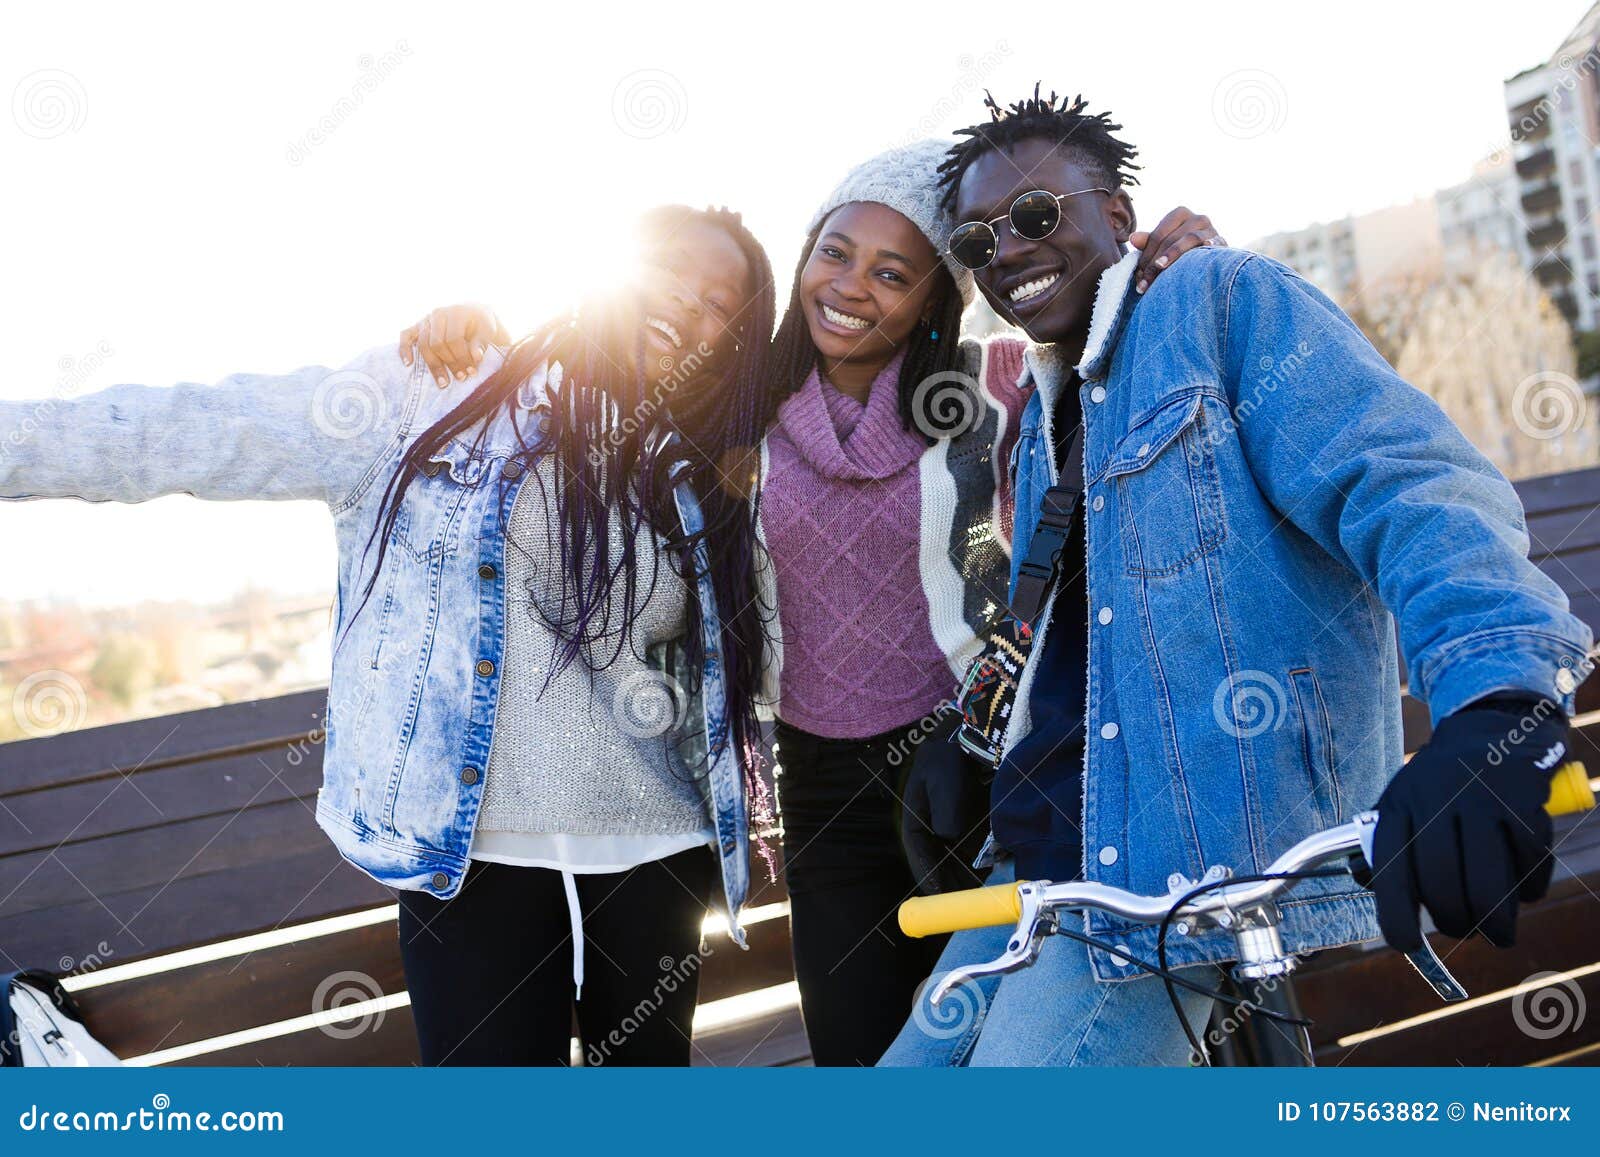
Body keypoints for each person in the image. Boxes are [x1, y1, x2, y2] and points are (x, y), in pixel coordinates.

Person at [402, 141, 1222, 1065]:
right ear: (804, 258)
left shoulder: (990, 389)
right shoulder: (729, 405)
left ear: (932, 297)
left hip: (973, 765)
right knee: (860, 1055)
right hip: (822, 788)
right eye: (835, 252)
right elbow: (602, 370)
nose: (852, 284)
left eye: (892, 271)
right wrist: (480, 333)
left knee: (1004, 1046)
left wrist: (1165, 268)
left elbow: (1107, 360)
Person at [879, 88, 1593, 1067]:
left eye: (1035, 215)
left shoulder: (1220, 302)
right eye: (974, 242)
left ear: (1115, 217)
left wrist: (1495, 706)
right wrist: (979, 744)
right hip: (1038, 870)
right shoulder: (1050, 413)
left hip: (1167, 888)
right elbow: (1083, 641)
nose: (1003, 249)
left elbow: (1410, 485)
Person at [0, 205, 778, 1067]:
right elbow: (201, 430)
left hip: (659, 863)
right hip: (475, 862)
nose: (688, 301)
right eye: (668, 266)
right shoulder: (435, 395)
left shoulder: (713, 464)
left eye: (721, 301)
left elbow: (780, 652)